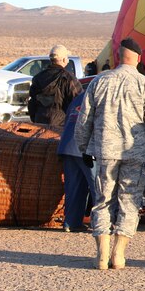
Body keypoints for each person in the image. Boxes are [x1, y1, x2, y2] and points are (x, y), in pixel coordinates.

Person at [75, 37, 145, 270]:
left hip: (105, 151)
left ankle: (102, 254)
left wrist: (83, 147)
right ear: (138, 58)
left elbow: (84, 118)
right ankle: (119, 253)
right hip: (135, 152)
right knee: (130, 201)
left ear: (117, 56)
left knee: (103, 200)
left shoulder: (99, 81)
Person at [57, 88, 93, 232]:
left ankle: (71, 222)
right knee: (99, 188)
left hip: (67, 145)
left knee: (73, 187)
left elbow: (67, 119)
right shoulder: (102, 96)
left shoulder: (79, 97)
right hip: (87, 147)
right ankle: (101, 224)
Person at [28, 44, 82, 129]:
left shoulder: (38, 77)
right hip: (61, 125)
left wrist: (35, 119)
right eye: (67, 57)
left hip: (40, 122)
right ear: (64, 59)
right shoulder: (68, 79)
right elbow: (79, 101)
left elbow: (32, 102)